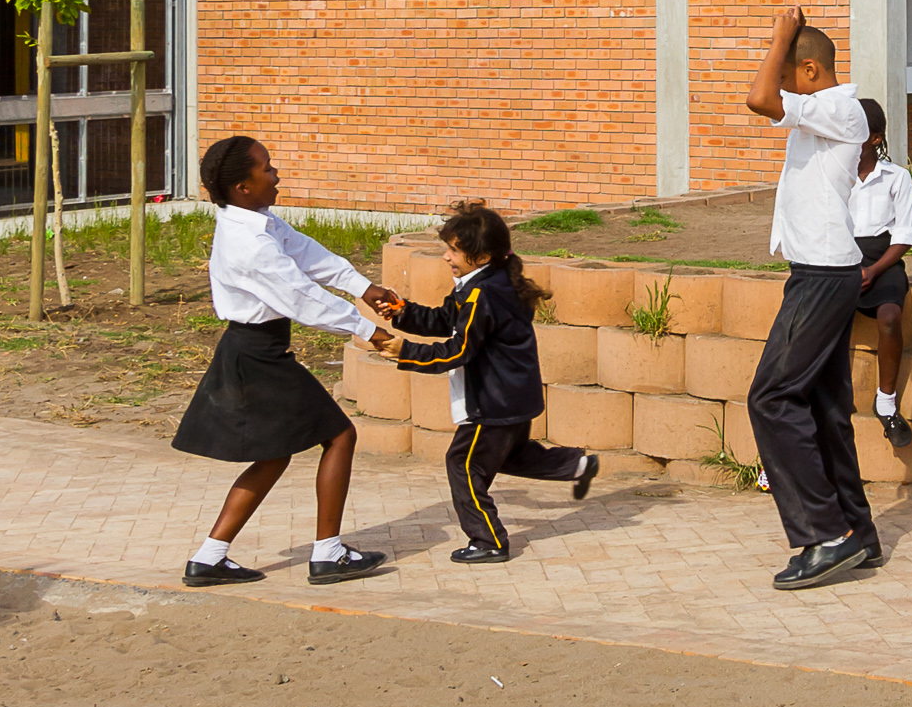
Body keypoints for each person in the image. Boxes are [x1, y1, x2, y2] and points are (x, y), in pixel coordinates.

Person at [173, 133, 401, 588]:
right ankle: (328, 554)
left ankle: (209, 558)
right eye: (267, 168)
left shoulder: (256, 221)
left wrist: (362, 287)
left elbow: (306, 254)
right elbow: (300, 297)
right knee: (339, 435)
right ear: (243, 186)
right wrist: (370, 332)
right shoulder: (249, 244)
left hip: (257, 350)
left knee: (274, 454)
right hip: (255, 354)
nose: (276, 175)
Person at [744, 2, 882, 588]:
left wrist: (780, 33)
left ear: (807, 71)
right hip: (818, 272)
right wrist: (781, 46)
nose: (776, 84)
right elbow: (770, 97)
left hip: (825, 275)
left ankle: (826, 535)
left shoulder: (840, 108)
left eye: (784, 70)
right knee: (823, 409)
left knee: (771, 398)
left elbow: (758, 99)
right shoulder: (821, 113)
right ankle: (859, 533)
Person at [381, 201, 598, 565]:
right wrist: (403, 312)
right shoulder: (488, 284)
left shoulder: (482, 295)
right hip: (513, 397)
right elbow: (445, 320)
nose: (447, 257)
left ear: (480, 257)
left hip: (493, 402)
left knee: (463, 464)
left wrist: (407, 352)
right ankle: (576, 466)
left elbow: (457, 351)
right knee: (510, 456)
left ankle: (488, 540)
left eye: (454, 251)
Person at [848, 98, 912, 455]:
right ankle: (826, 401)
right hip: (841, 260)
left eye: (856, 131)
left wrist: (873, 270)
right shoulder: (835, 176)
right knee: (823, 323)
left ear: (875, 139)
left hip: (883, 261)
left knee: (890, 317)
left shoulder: (897, 177)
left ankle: (886, 402)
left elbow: (904, 237)